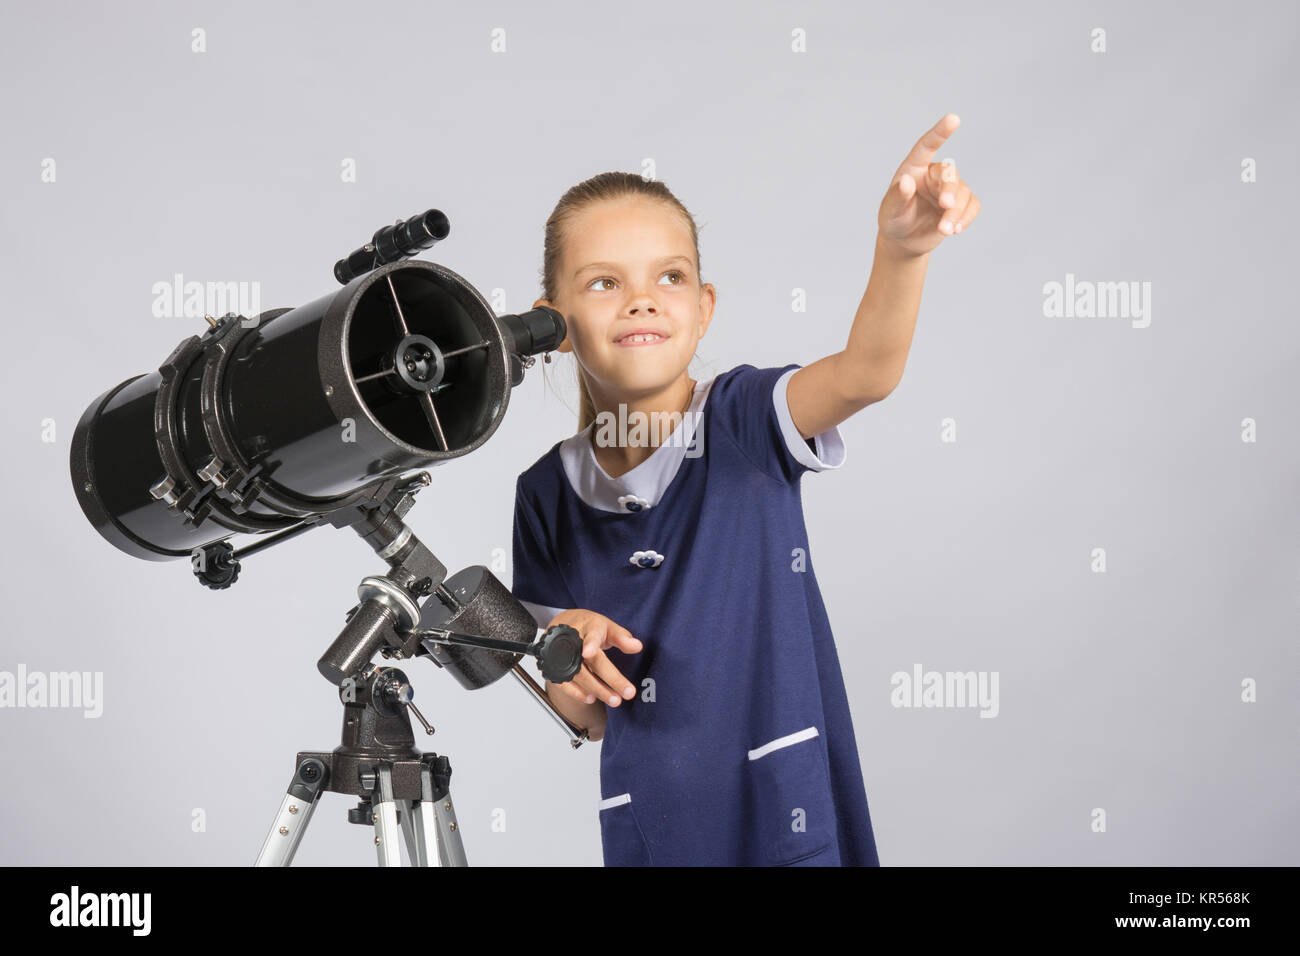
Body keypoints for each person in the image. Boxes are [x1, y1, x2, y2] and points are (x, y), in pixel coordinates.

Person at [511, 114, 980, 865]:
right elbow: (585, 715)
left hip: (777, 811)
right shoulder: (545, 495)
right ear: (553, 327)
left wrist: (902, 250)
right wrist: (569, 644)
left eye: (671, 276)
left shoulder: (744, 420)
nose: (642, 300)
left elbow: (867, 373)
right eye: (604, 283)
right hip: (652, 822)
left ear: (705, 309)